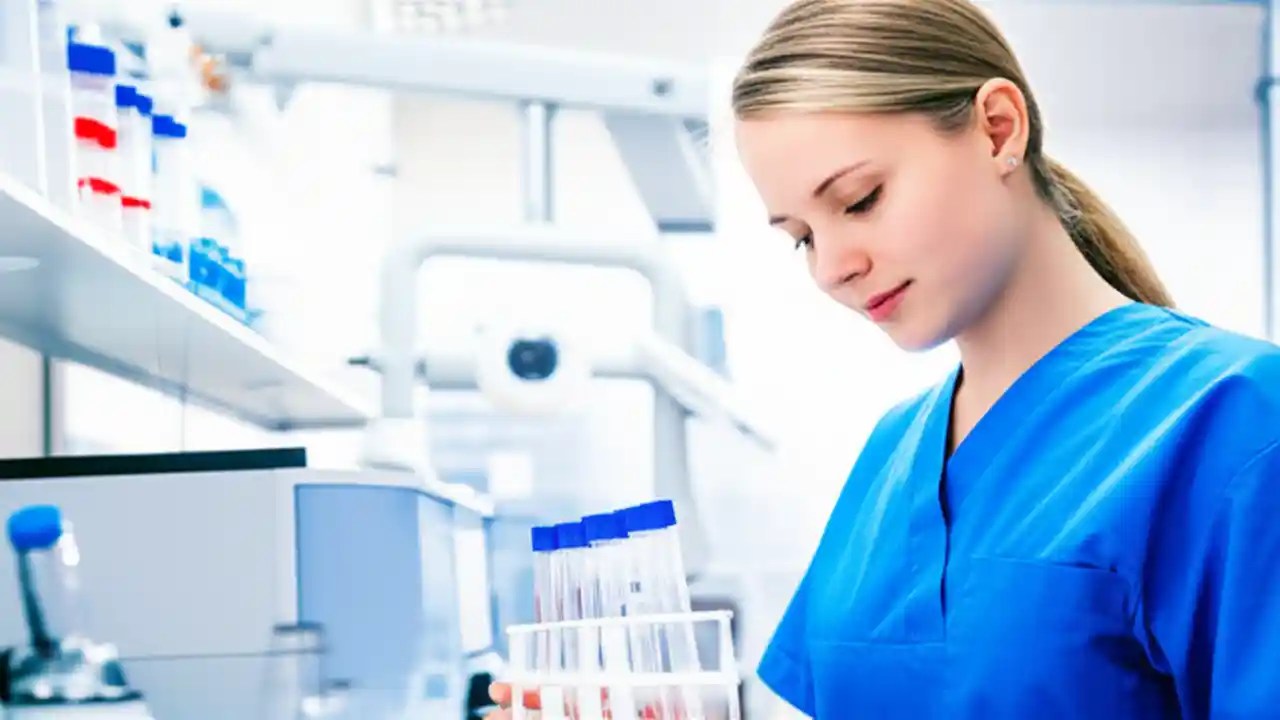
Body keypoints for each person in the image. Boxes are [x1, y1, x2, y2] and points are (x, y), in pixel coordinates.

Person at [488, 0, 1280, 717]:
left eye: (860, 200)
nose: (832, 265)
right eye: (801, 237)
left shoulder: (1235, 420)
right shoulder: (894, 453)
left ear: (997, 129)